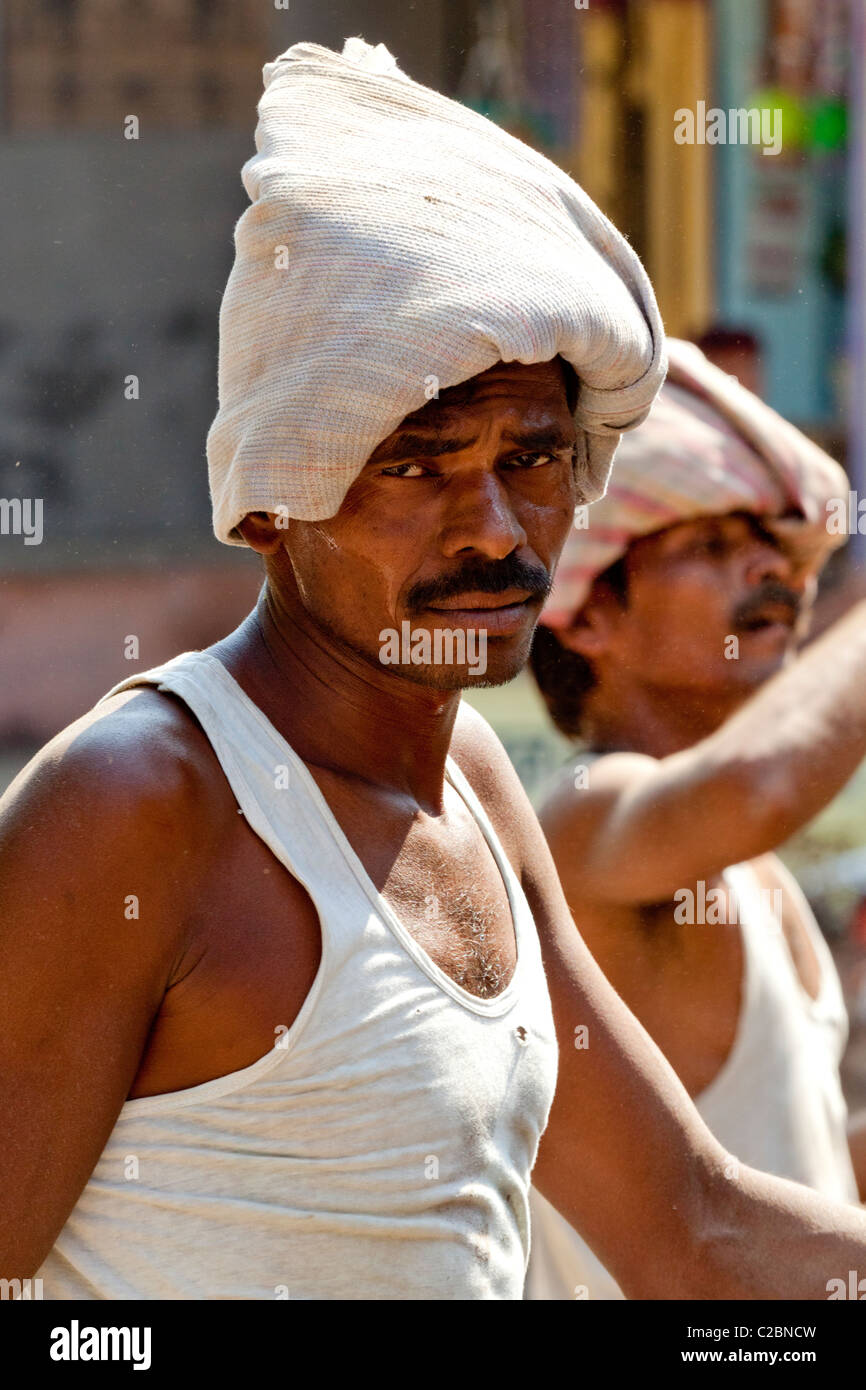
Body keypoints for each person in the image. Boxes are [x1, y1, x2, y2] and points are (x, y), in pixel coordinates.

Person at [3, 40, 866, 1302]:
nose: (498, 531)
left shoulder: (475, 791)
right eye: (417, 466)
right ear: (269, 505)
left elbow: (690, 1227)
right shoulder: (141, 803)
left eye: (531, 458)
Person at [525, 337, 866, 1299]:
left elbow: (796, 1174)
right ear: (588, 618)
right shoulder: (585, 819)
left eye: (771, 541)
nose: (767, 566)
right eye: (712, 545)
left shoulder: (761, 880)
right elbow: (761, 785)